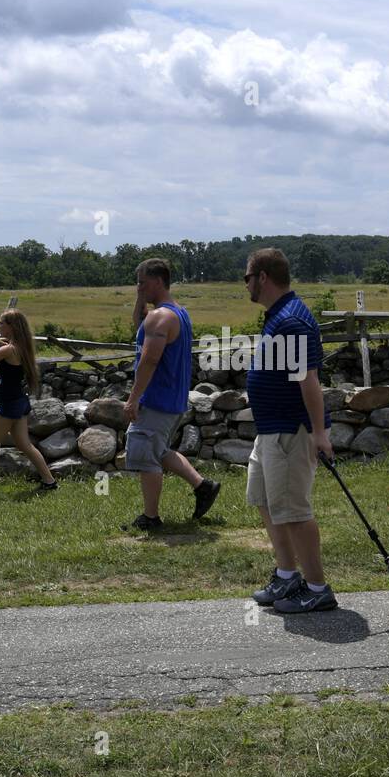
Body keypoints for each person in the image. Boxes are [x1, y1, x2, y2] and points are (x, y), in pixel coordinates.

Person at [244, 248, 338, 613]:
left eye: (247, 277)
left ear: (263, 277)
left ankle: (317, 587)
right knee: (266, 501)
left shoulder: (291, 321)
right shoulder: (278, 317)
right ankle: (287, 576)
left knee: (294, 510)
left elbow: (308, 381)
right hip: (270, 430)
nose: (246, 285)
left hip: (289, 431)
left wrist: (318, 433)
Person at [122, 258, 221, 531]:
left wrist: (134, 398)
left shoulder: (161, 317)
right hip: (172, 398)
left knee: (144, 451)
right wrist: (140, 299)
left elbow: (150, 359)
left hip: (157, 398)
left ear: (156, 281)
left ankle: (151, 518)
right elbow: (140, 327)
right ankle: (203, 486)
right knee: (159, 450)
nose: (138, 288)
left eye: (142, 282)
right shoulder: (176, 312)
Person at [0, 308, 58, 496]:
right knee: (25, 445)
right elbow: (7, 377)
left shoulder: (7, 349)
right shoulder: (21, 348)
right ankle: (50, 481)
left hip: (8, 406)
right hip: (20, 402)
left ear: (11, 327)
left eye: (1, 323)